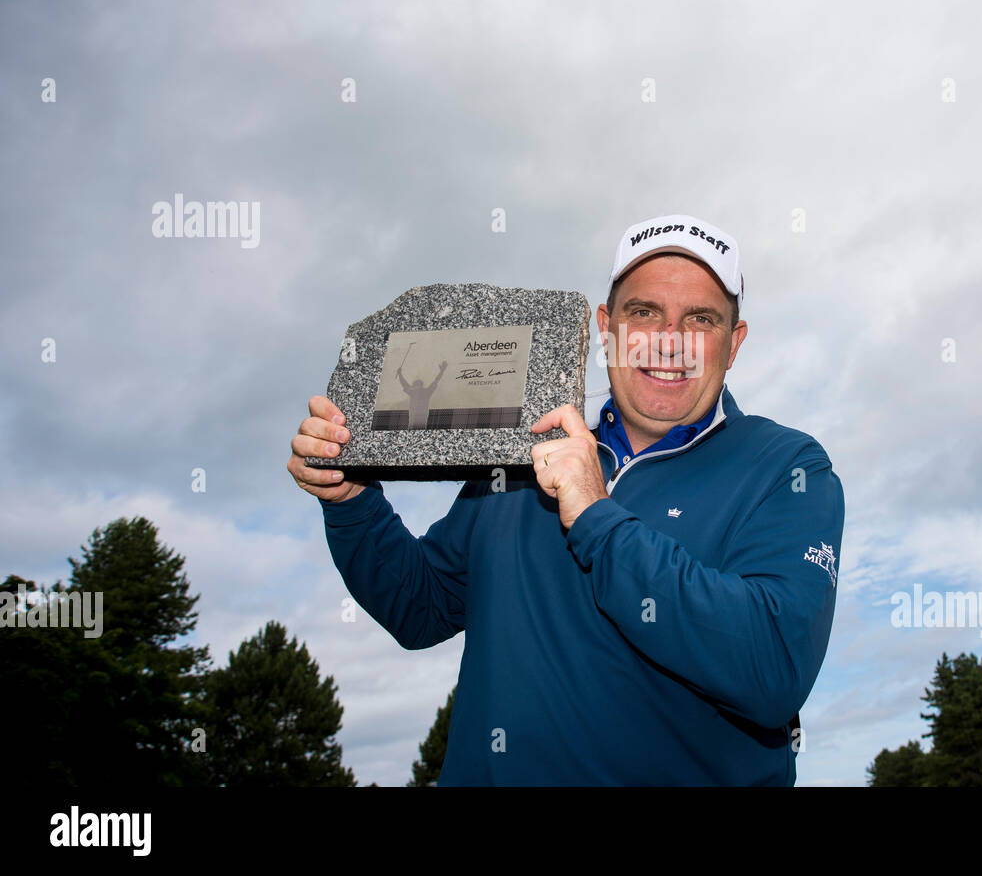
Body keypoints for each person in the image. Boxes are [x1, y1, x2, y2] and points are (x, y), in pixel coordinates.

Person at [286, 214, 845, 785]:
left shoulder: (787, 468)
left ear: (734, 343)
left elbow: (771, 669)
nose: (669, 341)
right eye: (643, 313)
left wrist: (597, 518)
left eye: (700, 319)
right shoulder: (529, 443)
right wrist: (352, 500)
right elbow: (420, 608)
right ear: (606, 328)